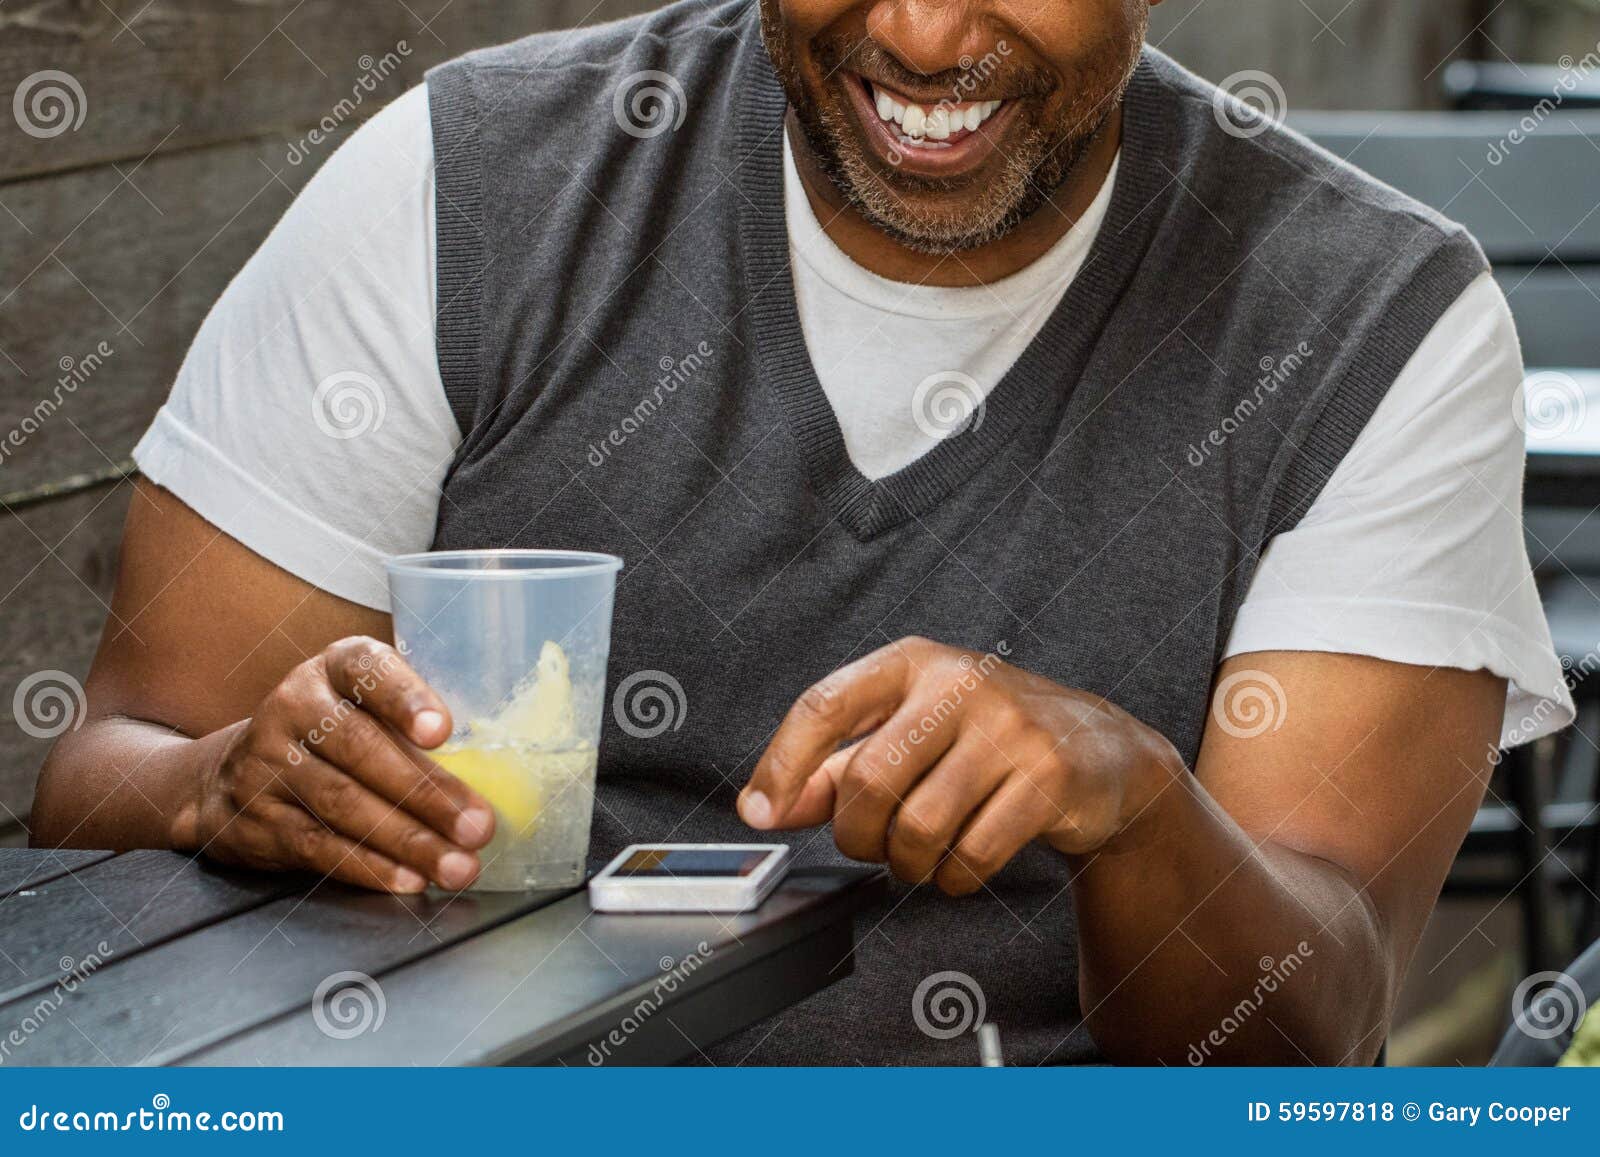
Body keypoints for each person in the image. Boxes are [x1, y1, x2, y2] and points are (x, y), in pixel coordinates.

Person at [31, 0, 1573, 1065]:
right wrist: (218, 782)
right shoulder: (459, 189)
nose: (917, 36)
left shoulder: (1374, 324)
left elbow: (1311, 1040)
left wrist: (1142, 805)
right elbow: (96, 780)